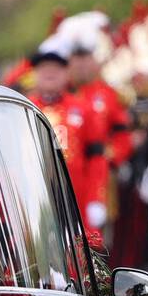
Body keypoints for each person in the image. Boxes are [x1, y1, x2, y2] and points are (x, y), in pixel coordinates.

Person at [25, 43, 109, 234]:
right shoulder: (23, 107)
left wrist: (97, 198)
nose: (50, 73)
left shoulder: (83, 108)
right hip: (34, 196)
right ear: (35, 73)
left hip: (76, 199)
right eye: (44, 67)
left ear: (66, 73)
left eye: (56, 68)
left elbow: (97, 157)